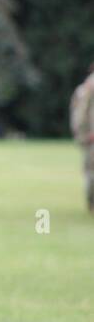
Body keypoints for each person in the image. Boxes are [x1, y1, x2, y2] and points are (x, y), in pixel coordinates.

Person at [69, 64, 94, 213]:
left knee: (90, 172)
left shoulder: (85, 88)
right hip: (91, 137)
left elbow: (78, 115)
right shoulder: (88, 88)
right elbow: (80, 114)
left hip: (89, 137)